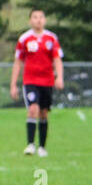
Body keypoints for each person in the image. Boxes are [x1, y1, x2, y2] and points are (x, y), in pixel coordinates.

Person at [11, 9, 64, 157]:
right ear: (30, 21)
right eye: (35, 17)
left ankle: (42, 147)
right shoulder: (24, 39)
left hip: (47, 81)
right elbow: (18, 62)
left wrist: (59, 77)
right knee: (33, 109)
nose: (38, 20)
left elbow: (57, 60)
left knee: (44, 113)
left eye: (41, 17)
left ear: (45, 20)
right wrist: (13, 84)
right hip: (30, 80)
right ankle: (30, 145)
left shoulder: (51, 38)